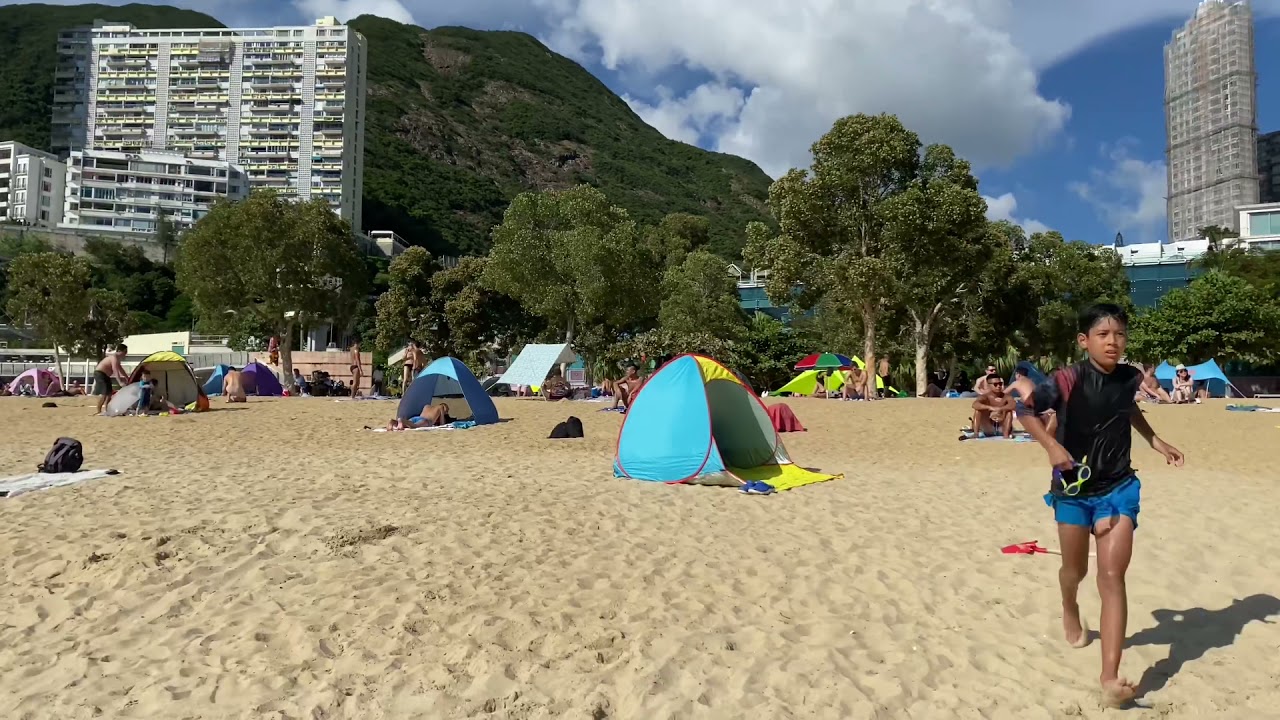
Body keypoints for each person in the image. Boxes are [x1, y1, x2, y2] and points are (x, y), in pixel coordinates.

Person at [1009, 303, 1184, 708]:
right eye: (1103, 335)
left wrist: (1155, 441)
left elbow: (1128, 407)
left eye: (1119, 334)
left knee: (1111, 577)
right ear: (1084, 341)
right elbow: (1025, 410)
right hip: (1072, 489)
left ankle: (1109, 675)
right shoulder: (1065, 379)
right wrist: (1052, 447)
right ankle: (1069, 603)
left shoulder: (1130, 377)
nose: (1113, 342)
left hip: (1119, 486)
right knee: (1075, 571)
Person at [93, 345, 130, 415]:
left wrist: (127, 377)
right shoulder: (114, 358)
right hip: (100, 374)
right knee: (104, 393)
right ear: (119, 351)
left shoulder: (117, 359)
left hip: (106, 376)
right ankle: (98, 410)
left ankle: (107, 409)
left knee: (109, 393)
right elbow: (115, 370)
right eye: (124, 352)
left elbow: (120, 369)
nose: (125, 354)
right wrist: (120, 382)